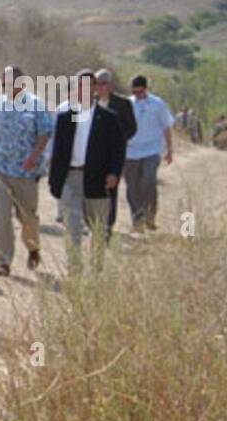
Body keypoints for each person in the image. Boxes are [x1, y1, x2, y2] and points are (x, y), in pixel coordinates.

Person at [49, 69, 125, 272]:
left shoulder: (108, 118)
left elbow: (118, 149)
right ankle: (74, 269)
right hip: (70, 177)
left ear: (96, 89)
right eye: (80, 86)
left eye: (89, 86)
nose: (85, 90)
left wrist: (113, 173)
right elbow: (58, 150)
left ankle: (97, 268)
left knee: (98, 228)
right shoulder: (67, 118)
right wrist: (54, 181)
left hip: (97, 179)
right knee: (72, 227)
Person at [0, 66, 51, 276]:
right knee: (3, 217)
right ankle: (4, 261)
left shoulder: (36, 105)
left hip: (25, 172)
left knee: (27, 216)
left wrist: (34, 156)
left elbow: (45, 132)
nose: (7, 88)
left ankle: (33, 247)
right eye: (4, 84)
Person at [124, 74, 175, 233]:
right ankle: (137, 218)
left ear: (146, 89)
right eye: (135, 92)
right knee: (132, 186)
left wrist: (169, 148)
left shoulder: (158, 104)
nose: (137, 95)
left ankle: (150, 215)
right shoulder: (128, 104)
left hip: (151, 150)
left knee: (149, 181)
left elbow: (166, 126)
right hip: (131, 151)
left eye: (140, 92)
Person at [93, 69, 137, 239]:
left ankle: (108, 226)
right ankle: (95, 223)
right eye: (97, 83)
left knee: (111, 189)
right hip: (92, 155)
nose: (100, 87)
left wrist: (117, 140)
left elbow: (132, 128)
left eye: (103, 83)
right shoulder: (89, 103)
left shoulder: (123, 104)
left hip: (113, 155)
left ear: (110, 85)